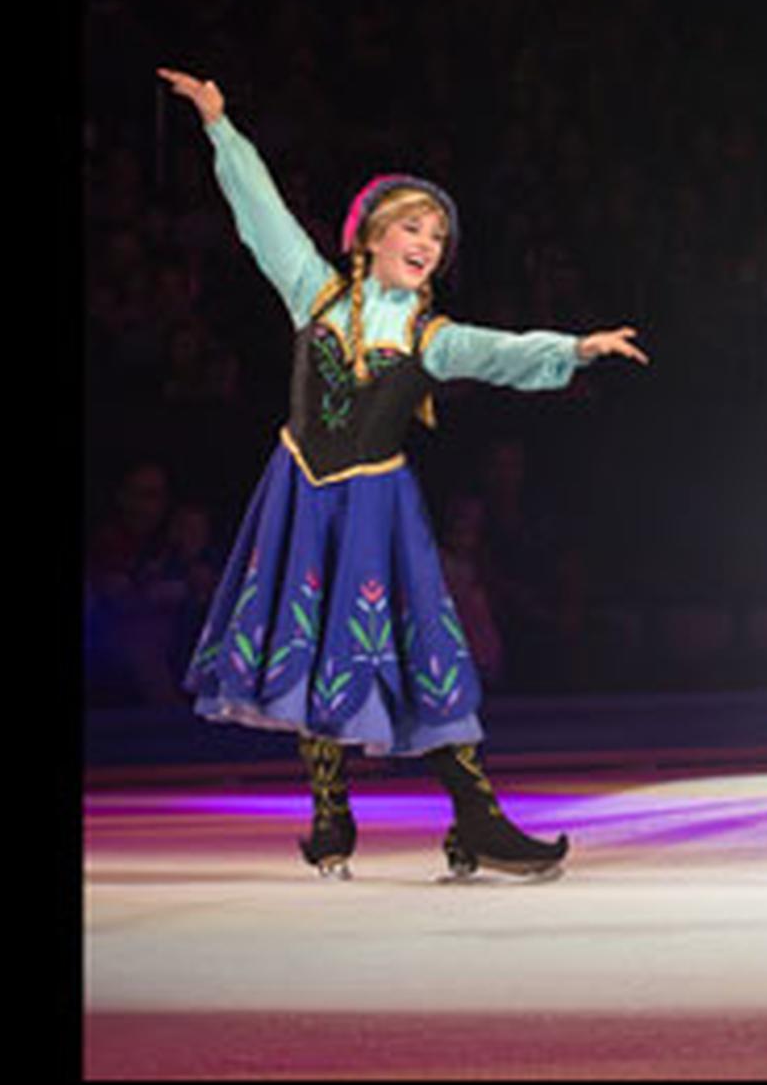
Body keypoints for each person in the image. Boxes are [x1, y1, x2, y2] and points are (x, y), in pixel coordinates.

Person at [157, 66, 649, 880]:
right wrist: (219, 125)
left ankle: (477, 818)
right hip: (302, 496)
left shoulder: (429, 335)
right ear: (371, 236)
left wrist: (575, 348)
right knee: (312, 647)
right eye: (413, 228)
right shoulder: (313, 294)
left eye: (438, 238)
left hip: (377, 510)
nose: (428, 245)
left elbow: (498, 351)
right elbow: (263, 215)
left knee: (422, 651)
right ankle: (330, 813)